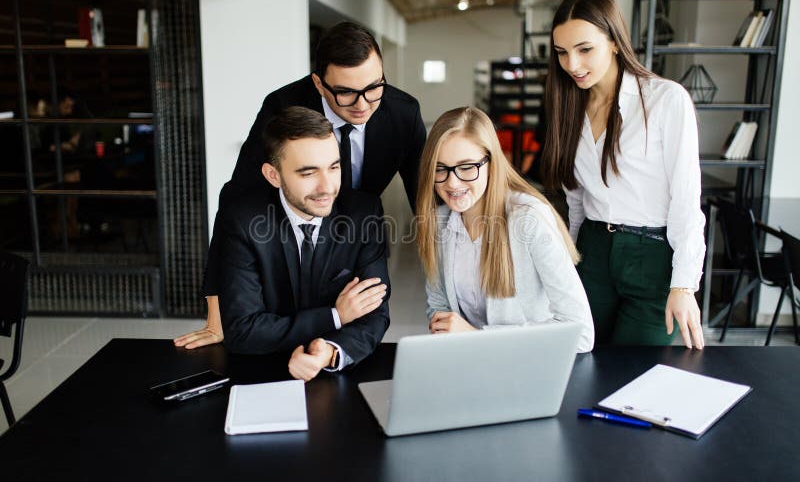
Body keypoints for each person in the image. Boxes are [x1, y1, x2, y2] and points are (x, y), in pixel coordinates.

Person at [175, 21, 426, 349]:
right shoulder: (282, 108)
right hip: (288, 233)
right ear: (320, 84)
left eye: (374, 87)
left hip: (358, 230)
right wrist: (216, 308)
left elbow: (425, 196)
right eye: (346, 92)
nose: (363, 104)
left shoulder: (402, 113)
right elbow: (234, 198)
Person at [541, 0, 706, 349]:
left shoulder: (665, 100)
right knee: (579, 360)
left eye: (585, 49)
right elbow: (577, 200)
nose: (572, 65)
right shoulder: (567, 107)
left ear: (614, 42)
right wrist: (567, 261)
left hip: (651, 254)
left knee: (636, 376)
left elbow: (686, 201)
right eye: (562, 53)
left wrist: (683, 285)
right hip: (593, 250)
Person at [215, 106, 390, 381]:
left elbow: (374, 314)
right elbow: (242, 330)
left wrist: (330, 352)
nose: (327, 187)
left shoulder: (363, 213)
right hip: (261, 372)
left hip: (336, 371)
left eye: (334, 167)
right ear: (273, 175)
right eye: (308, 173)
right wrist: (335, 316)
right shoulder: (242, 219)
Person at [416, 107, 594, 353]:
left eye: (467, 167)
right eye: (440, 168)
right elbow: (439, 304)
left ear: (492, 162)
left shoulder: (528, 219)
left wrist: (477, 338)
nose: (452, 182)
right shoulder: (439, 222)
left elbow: (581, 333)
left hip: (525, 365)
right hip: (468, 360)